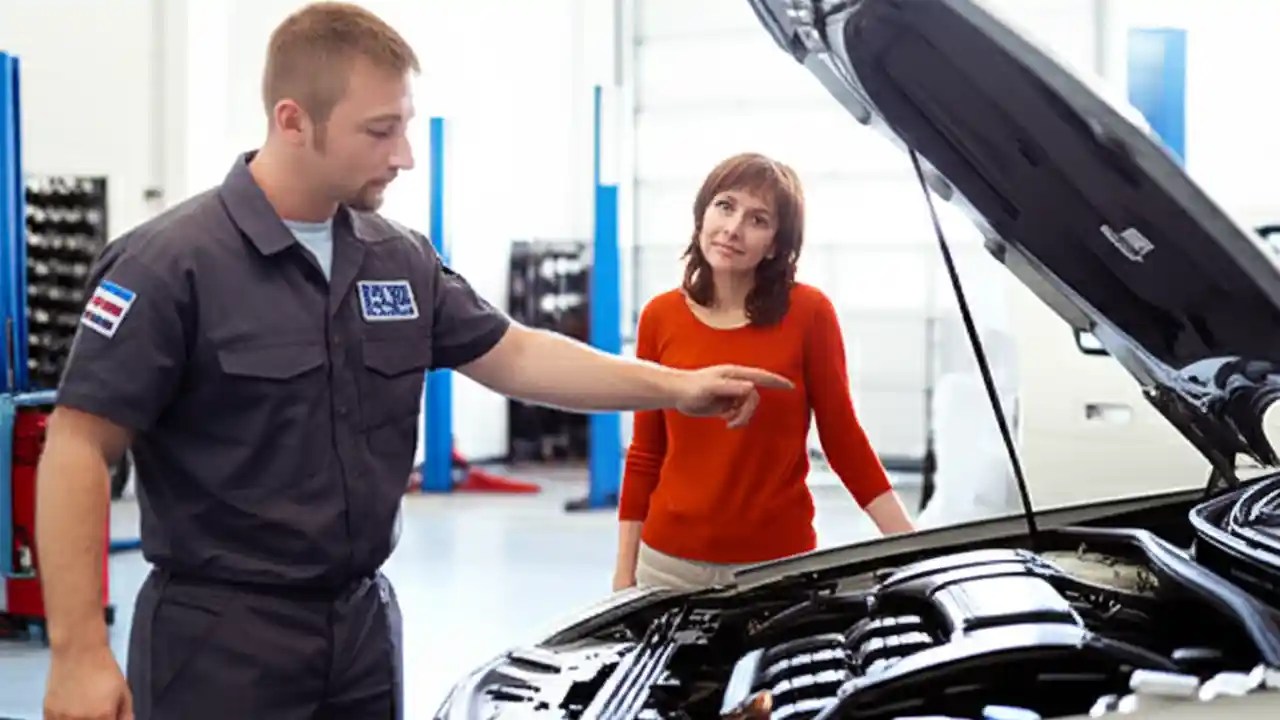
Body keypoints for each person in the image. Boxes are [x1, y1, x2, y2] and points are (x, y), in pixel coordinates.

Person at [35, 5, 792, 720]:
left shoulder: (396, 257)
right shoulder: (171, 266)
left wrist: (676, 388)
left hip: (361, 630)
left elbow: (516, 354)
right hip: (221, 641)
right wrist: (76, 651)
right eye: (380, 131)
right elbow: (78, 446)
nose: (403, 154)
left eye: (406, 126)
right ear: (293, 122)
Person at [612, 152, 917, 593]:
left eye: (758, 219)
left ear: (775, 245)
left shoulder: (809, 313)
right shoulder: (660, 316)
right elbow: (646, 452)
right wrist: (625, 574)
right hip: (667, 568)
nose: (733, 228)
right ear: (702, 215)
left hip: (778, 569)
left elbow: (843, 439)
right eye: (725, 206)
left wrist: (910, 547)